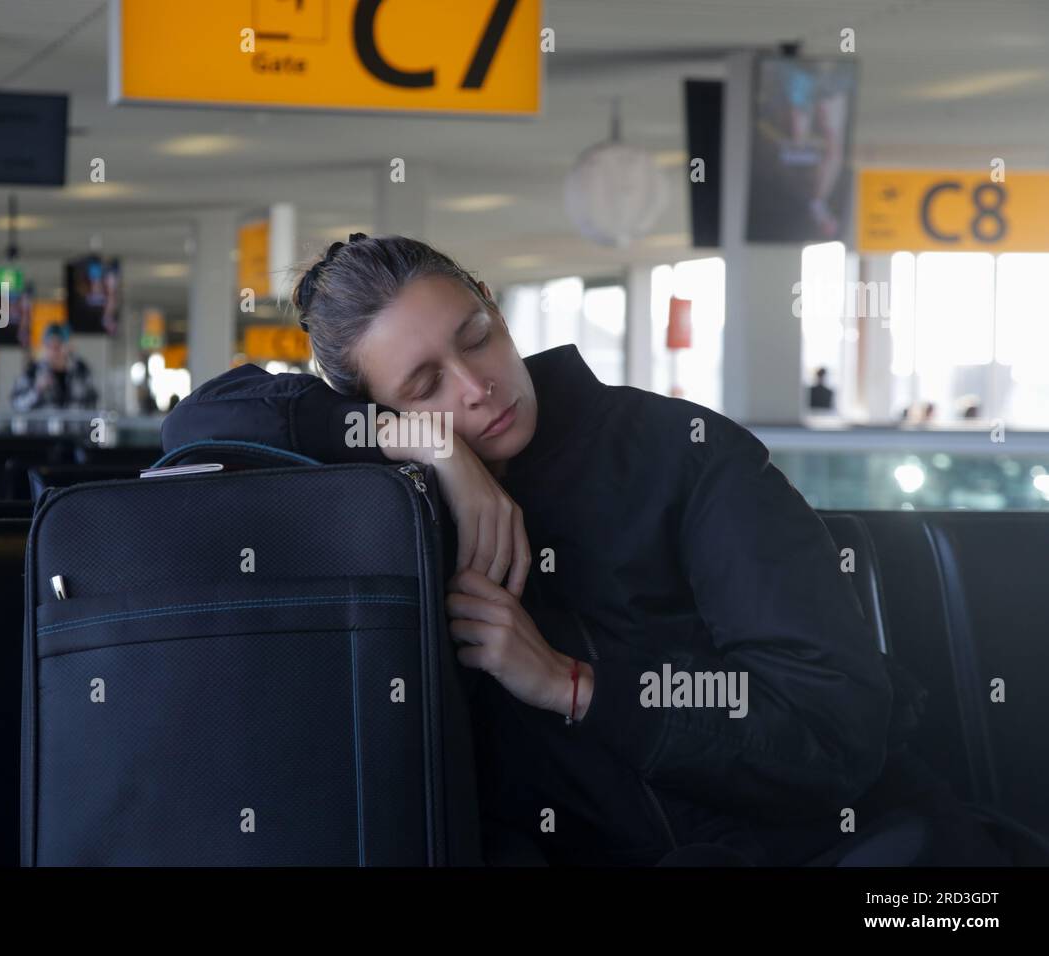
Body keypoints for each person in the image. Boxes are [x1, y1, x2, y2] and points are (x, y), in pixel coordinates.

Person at [165, 233, 1012, 866]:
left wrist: (573, 686)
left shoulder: (680, 452)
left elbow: (829, 726)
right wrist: (429, 447)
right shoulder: (394, 496)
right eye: (424, 386)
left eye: (477, 335)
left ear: (496, 307)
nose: (476, 385)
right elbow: (201, 421)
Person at [11, 322, 99, 411]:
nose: (54, 351)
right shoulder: (32, 372)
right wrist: (37, 390)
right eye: (49, 346)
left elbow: (93, 403)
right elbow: (17, 405)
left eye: (58, 346)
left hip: (75, 424)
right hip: (45, 424)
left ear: (67, 347)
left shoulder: (81, 370)